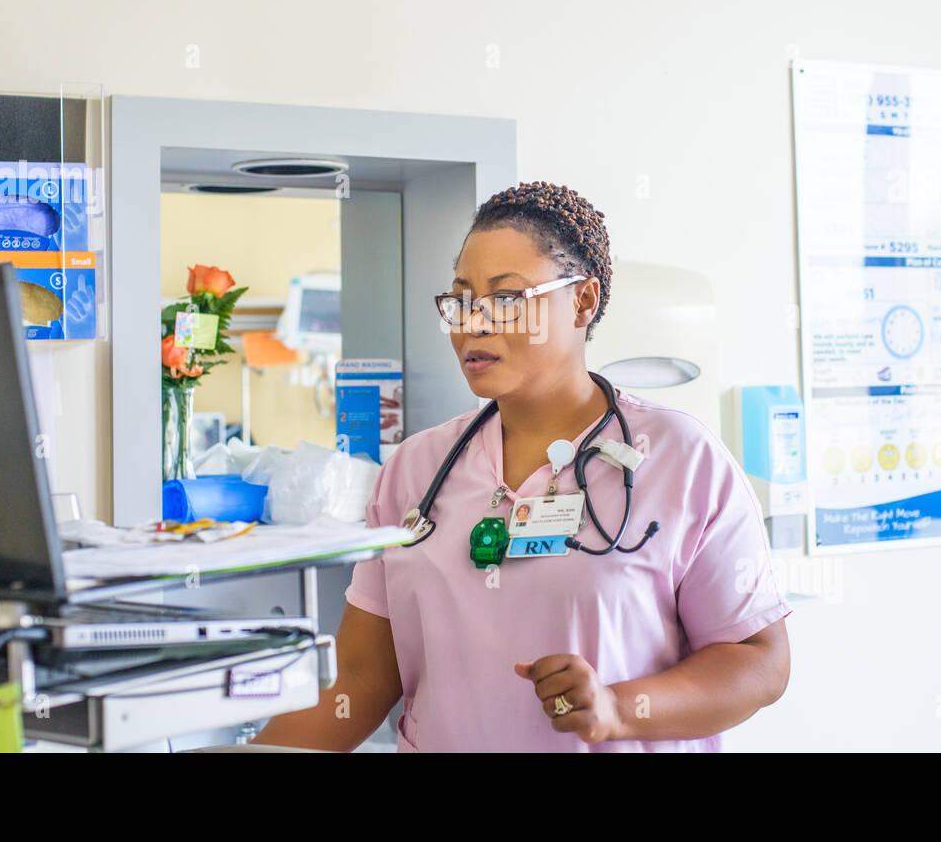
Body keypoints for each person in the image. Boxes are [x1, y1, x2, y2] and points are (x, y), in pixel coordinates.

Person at [254, 181, 791, 752]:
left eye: (506, 299)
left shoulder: (682, 459)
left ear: (583, 301)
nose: (473, 324)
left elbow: (759, 662)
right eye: (460, 300)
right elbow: (362, 680)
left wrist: (618, 708)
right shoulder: (416, 468)